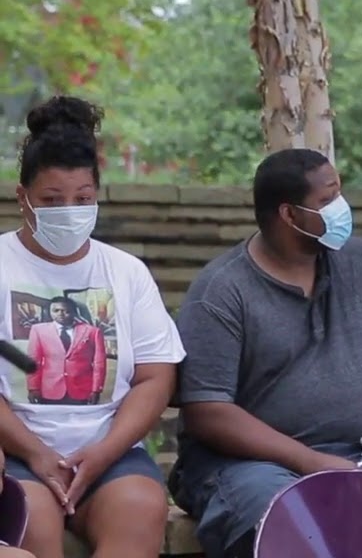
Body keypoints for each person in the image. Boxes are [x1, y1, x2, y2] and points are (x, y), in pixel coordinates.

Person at [168, 148, 362, 558]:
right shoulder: (223, 291)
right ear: (289, 215)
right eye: (327, 201)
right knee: (300, 525)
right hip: (250, 468)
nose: (341, 209)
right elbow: (207, 411)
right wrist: (311, 462)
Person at [0, 96, 185, 557]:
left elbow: (155, 376)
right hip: (19, 455)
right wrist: (37, 453)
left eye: (82, 199)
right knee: (34, 524)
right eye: (51, 200)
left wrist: (103, 452)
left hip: (110, 456)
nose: (69, 211)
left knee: (141, 508)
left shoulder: (126, 272)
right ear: (23, 198)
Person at [27, 297, 107, 405]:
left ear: (74, 312)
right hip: (49, 390)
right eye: (55, 311)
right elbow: (33, 361)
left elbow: (99, 363)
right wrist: (33, 388)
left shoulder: (92, 332)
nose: (60, 314)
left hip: (82, 390)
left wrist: (96, 390)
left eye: (66, 311)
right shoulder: (39, 330)